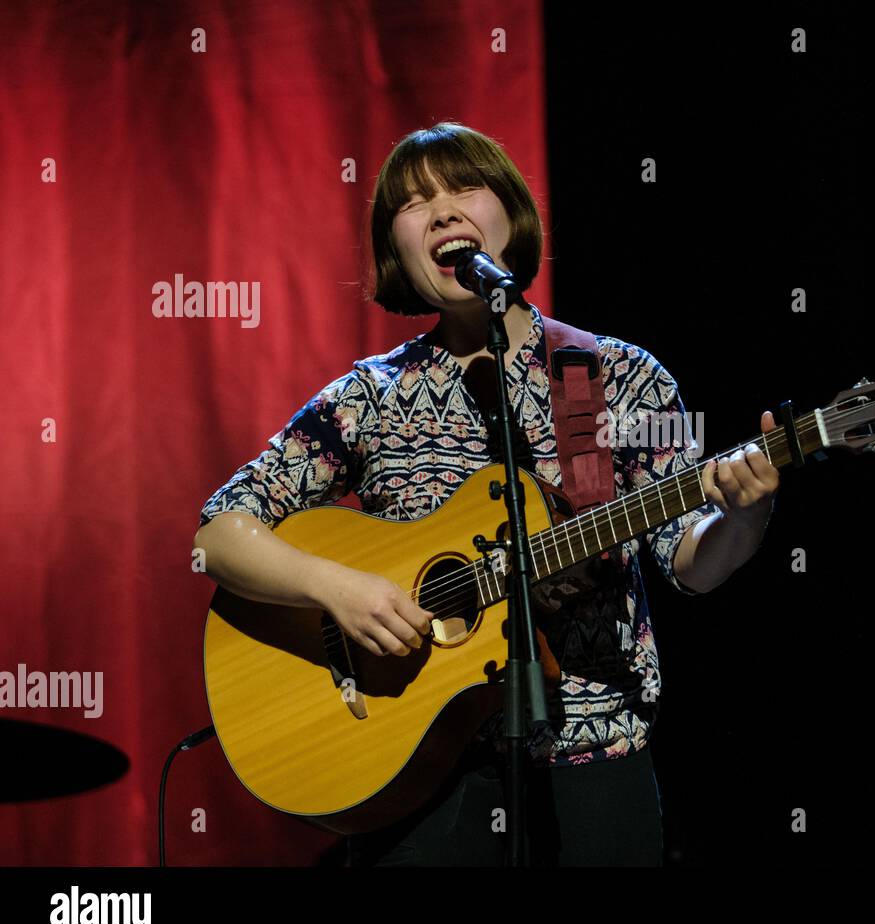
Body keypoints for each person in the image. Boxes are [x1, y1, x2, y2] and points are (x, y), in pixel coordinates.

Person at [193, 122, 780, 866]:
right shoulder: (370, 396)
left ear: (511, 215)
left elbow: (692, 562)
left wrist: (747, 511)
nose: (441, 213)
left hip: (595, 756)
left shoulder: (615, 376)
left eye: (464, 188)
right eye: (414, 203)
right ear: (395, 247)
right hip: (418, 766)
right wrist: (339, 590)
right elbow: (217, 531)